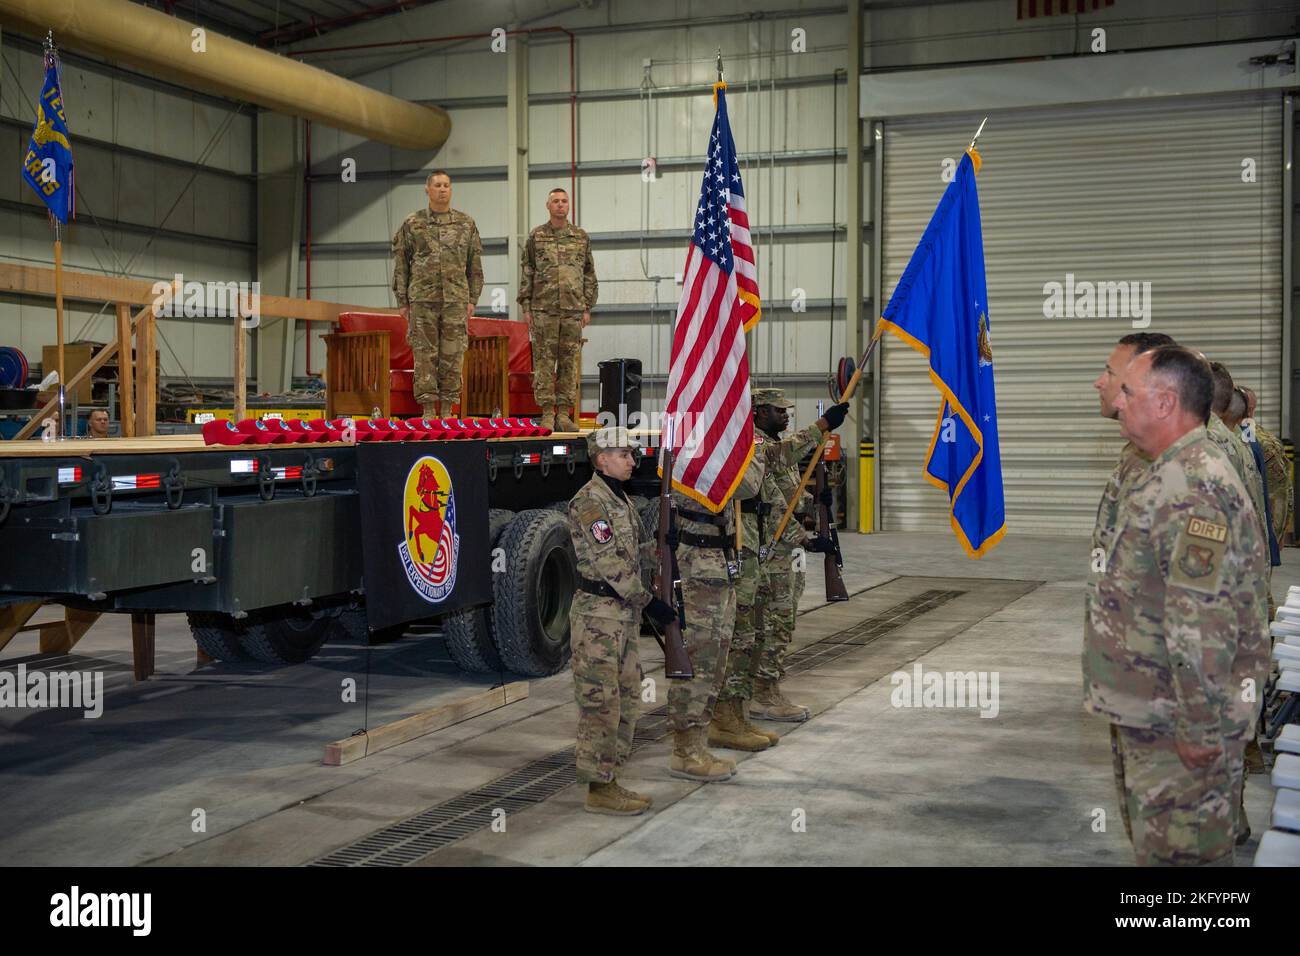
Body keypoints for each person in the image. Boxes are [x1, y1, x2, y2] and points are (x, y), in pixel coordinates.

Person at [1084, 346, 1270, 866]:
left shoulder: (1194, 486)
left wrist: (1198, 727)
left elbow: (1202, 623)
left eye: (1128, 392)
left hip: (1181, 721)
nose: (1117, 402)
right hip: (1161, 711)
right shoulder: (1171, 471)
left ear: (1165, 403)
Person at [567, 426, 673, 815]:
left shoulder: (620, 499)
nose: (632, 460)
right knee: (601, 702)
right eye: (624, 454)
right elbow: (608, 562)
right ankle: (599, 788)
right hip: (599, 617)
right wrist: (649, 603)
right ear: (601, 459)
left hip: (622, 616)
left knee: (628, 698)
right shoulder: (590, 502)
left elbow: (629, 552)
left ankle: (612, 776)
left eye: (631, 454)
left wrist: (661, 545)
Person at [749, 388, 847, 722]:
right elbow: (773, 503)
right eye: (779, 411)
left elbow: (788, 491)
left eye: (787, 410)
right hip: (772, 548)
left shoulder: (775, 443)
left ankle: (765, 687)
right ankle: (763, 693)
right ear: (760, 413)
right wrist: (803, 538)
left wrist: (813, 501)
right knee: (773, 623)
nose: (786, 415)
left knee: (783, 620)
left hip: (786, 548)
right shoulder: (757, 444)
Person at [666, 458, 765, 771]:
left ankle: (699, 743)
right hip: (700, 572)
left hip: (720, 564)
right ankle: (685, 751)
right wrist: (749, 449)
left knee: (716, 663)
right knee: (699, 663)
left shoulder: (713, 452)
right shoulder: (692, 459)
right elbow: (748, 485)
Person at [391, 170, 484, 418]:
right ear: (427, 190)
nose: (443, 189)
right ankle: (428, 410)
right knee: (424, 354)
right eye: (437, 185)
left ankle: (447, 409)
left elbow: (474, 265)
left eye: (446, 185)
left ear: (451, 190)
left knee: (453, 355)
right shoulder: (413, 223)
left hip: (455, 299)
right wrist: (403, 302)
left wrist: (472, 299)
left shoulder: (466, 223)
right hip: (422, 300)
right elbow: (402, 265)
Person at [518, 187, 597, 432]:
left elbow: (588, 273)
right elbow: (527, 271)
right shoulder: (536, 236)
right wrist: (527, 306)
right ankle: (546, 414)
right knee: (544, 362)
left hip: (573, 310)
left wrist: (587, 306)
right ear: (548, 205)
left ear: (568, 205)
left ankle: (564, 414)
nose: (560, 205)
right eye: (556, 201)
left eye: (564, 201)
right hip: (543, 309)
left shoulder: (580, 236)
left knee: (568, 364)